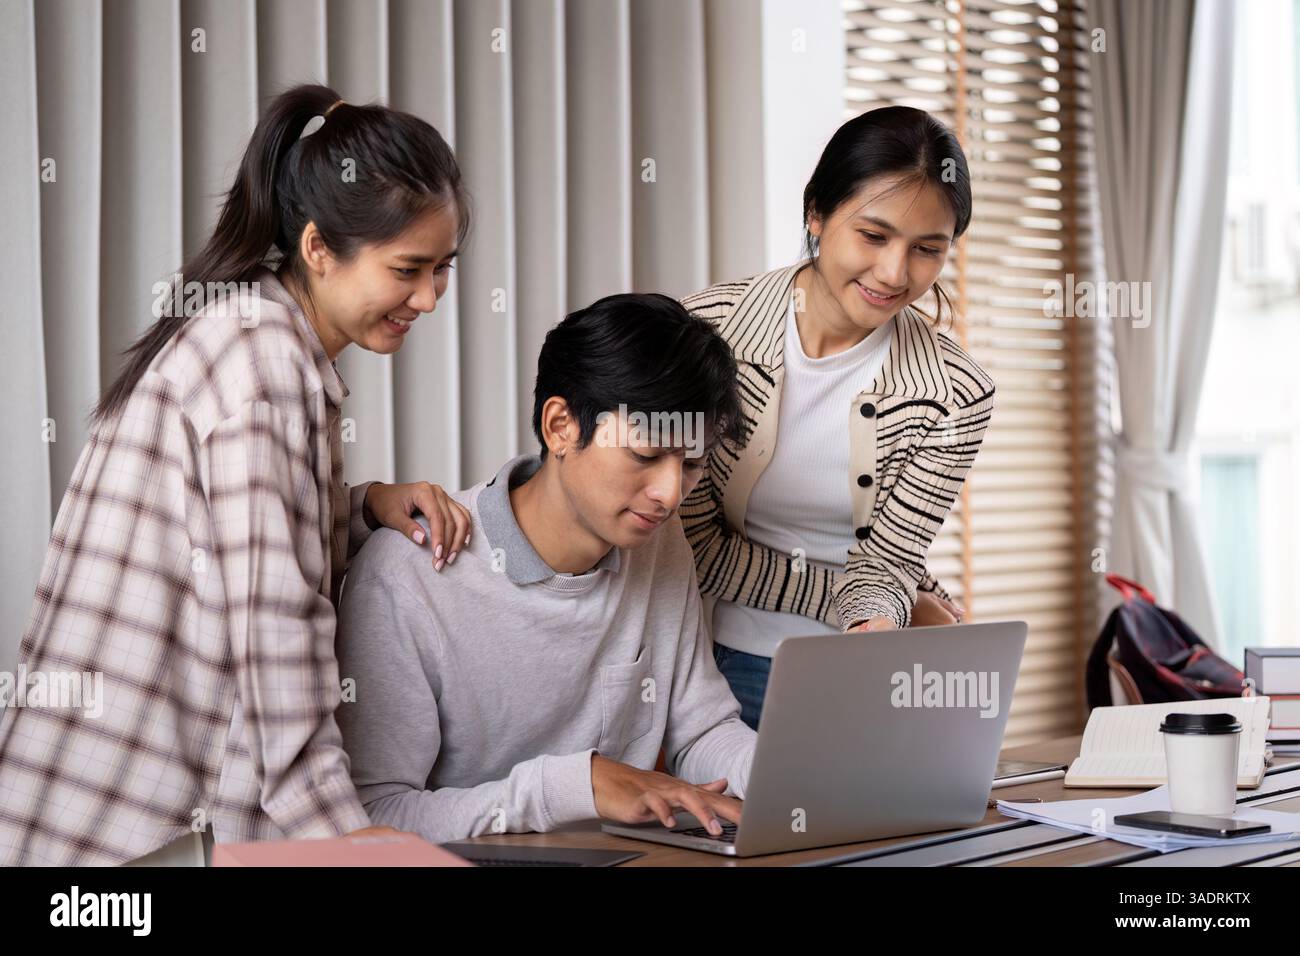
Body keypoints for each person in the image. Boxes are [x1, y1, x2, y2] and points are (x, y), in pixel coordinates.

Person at [0, 84, 471, 865]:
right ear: (319, 248)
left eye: (445, 268)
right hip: (129, 833)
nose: (428, 296)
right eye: (408, 269)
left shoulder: (245, 330)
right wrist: (348, 843)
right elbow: (275, 633)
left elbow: (233, 536)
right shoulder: (262, 372)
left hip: (86, 811)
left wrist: (365, 508)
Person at [334, 294, 756, 843]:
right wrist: (573, 785)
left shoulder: (656, 538)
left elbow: (700, 731)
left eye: (693, 464)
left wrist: (794, 779)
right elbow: (374, 816)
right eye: (647, 455)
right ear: (560, 426)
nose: (670, 493)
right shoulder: (408, 575)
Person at [681, 106, 996, 730]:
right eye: (873, 236)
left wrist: (883, 618)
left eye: (927, 249)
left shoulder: (957, 391)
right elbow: (689, 544)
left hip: (871, 657)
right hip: (719, 656)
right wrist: (867, 605)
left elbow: (889, 562)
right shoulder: (705, 334)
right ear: (817, 214)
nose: (894, 273)